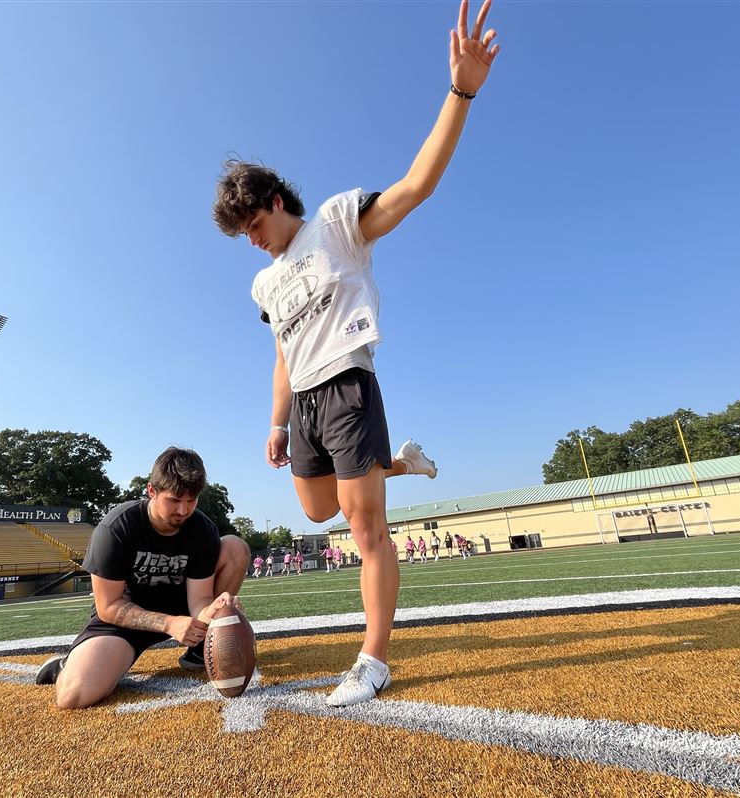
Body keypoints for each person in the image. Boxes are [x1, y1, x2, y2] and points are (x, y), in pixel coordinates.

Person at [214, 0, 499, 707]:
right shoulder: (263, 279)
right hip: (305, 402)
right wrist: (277, 423)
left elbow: (415, 187)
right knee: (317, 511)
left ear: (278, 201)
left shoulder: (338, 224)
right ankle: (397, 460)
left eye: (254, 224)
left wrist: (460, 91)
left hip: (347, 384)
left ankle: (373, 660)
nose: (252, 239)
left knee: (366, 528)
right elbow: (283, 350)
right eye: (242, 234)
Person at [35, 447, 250, 709]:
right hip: (127, 618)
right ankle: (63, 666)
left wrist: (214, 611)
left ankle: (200, 648)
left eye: (191, 500)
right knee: (74, 695)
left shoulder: (202, 529)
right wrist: (168, 624)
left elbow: (199, 599)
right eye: (174, 500)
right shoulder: (117, 527)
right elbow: (108, 607)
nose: (183, 510)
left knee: (235, 547)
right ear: (151, 491)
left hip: (181, 609)